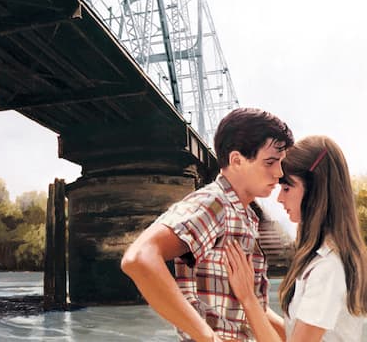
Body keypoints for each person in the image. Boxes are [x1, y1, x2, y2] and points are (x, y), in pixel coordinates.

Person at [121, 107, 294, 342]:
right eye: (270, 162)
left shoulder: (244, 215)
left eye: (281, 162)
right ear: (236, 160)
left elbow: (249, 310)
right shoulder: (214, 203)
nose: (279, 173)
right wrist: (207, 338)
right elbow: (139, 258)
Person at [225, 135, 367, 342]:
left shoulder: (328, 268)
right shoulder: (320, 258)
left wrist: (248, 299)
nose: (280, 198)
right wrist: (250, 299)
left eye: (287, 188)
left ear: (315, 191)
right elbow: (296, 334)